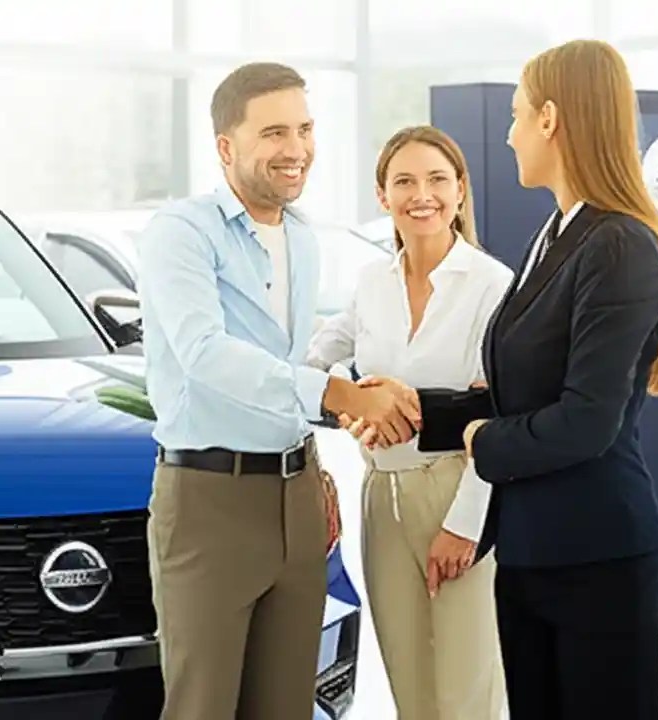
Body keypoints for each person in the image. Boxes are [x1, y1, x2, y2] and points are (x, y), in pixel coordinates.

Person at [373, 40, 658, 720]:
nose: (510, 134)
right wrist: (403, 411)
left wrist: (480, 441)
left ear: (551, 119)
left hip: (595, 558)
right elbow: (520, 389)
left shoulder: (619, 243)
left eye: (518, 115)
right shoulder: (557, 232)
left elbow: (586, 420)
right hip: (533, 552)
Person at [136, 61, 422, 720]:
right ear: (226, 147)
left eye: (305, 128)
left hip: (296, 496)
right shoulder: (182, 232)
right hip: (210, 499)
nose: (296, 149)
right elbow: (206, 354)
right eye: (274, 133)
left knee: (289, 706)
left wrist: (332, 418)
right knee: (203, 706)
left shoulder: (300, 235)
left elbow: (284, 363)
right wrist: (340, 397)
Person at [309, 125, 509, 719]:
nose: (422, 194)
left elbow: (499, 411)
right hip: (380, 497)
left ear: (460, 191)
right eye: (404, 182)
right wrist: (351, 405)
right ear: (382, 196)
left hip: (457, 492)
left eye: (437, 180)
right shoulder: (372, 283)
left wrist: (467, 525)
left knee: (466, 687)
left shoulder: (492, 285)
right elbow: (310, 367)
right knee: (409, 684)